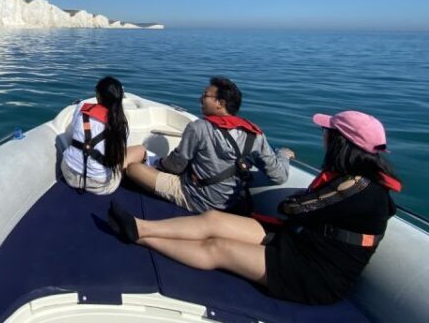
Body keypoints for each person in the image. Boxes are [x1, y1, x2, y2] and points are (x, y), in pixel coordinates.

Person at [108, 110, 402, 305]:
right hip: (301, 242)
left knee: (218, 247)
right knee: (213, 219)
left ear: (342, 142)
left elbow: (292, 208)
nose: (323, 134)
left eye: (329, 131)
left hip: (316, 274)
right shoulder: (352, 178)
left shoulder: (357, 185)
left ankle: (140, 237)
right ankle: (140, 225)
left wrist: (300, 203)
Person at [126, 76, 293, 213]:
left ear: (220, 103)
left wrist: (157, 164)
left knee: (134, 168)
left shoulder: (199, 128)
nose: (200, 98)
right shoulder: (255, 134)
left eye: (205, 95)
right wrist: (283, 156)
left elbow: (175, 166)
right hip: (229, 203)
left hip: (195, 198)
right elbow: (279, 176)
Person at [61, 76, 147, 195]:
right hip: (98, 185)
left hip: (68, 173)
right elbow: (117, 156)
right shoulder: (119, 125)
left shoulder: (81, 108)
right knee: (140, 150)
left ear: (98, 96)